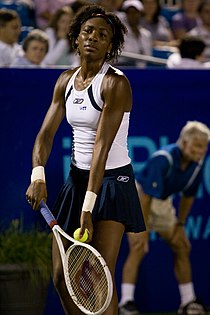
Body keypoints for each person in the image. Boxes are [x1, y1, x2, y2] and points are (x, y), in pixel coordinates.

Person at [25, 4, 146, 315]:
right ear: (76, 38)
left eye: (102, 35)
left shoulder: (115, 83)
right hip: (78, 180)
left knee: (98, 281)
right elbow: (45, 135)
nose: (93, 37)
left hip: (111, 183)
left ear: (111, 46)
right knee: (63, 278)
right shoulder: (65, 80)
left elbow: (101, 150)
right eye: (88, 31)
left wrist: (88, 209)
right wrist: (38, 175)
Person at [119, 121, 210, 315]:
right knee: (138, 247)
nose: (200, 151)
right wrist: (141, 229)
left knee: (182, 245)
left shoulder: (197, 164)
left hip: (161, 201)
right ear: (184, 143)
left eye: (204, 147)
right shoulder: (163, 159)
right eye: (196, 146)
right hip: (139, 198)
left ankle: (187, 302)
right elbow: (146, 197)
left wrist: (180, 224)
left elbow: (188, 196)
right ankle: (126, 303)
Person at [116, 0, 153, 67]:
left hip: (143, 72)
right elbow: (119, 58)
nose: (132, 15)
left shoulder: (146, 35)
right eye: (129, 12)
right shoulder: (119, 34)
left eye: (135, 12)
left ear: (140, 14)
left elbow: (148, 58)